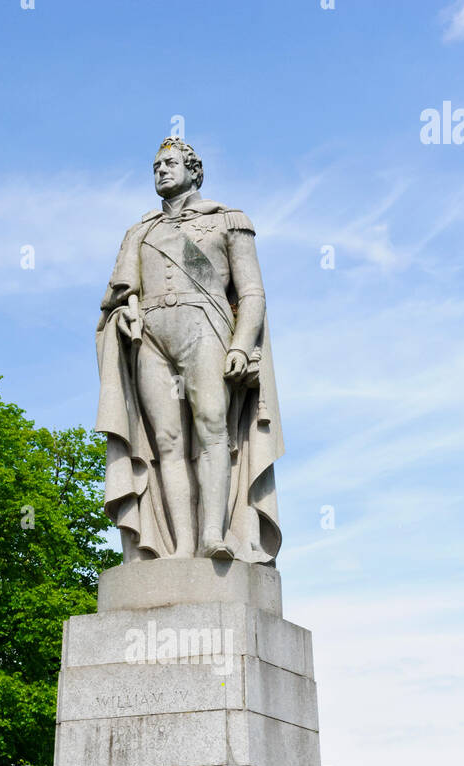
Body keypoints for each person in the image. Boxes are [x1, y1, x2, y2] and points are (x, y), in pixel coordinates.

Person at [96, 137, 282, 563]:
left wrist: (241, 344)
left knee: (212, 429)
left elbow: (252, 293)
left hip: (206, 329)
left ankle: (213, 536)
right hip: (151, 340)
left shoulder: (228, 221)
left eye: (170, 164)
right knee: (166, 442)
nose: (161, 170)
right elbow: (119, 298)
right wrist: (123, 314)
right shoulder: (140, 232)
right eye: (156, 166)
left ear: (194, 171)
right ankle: (179, 547)